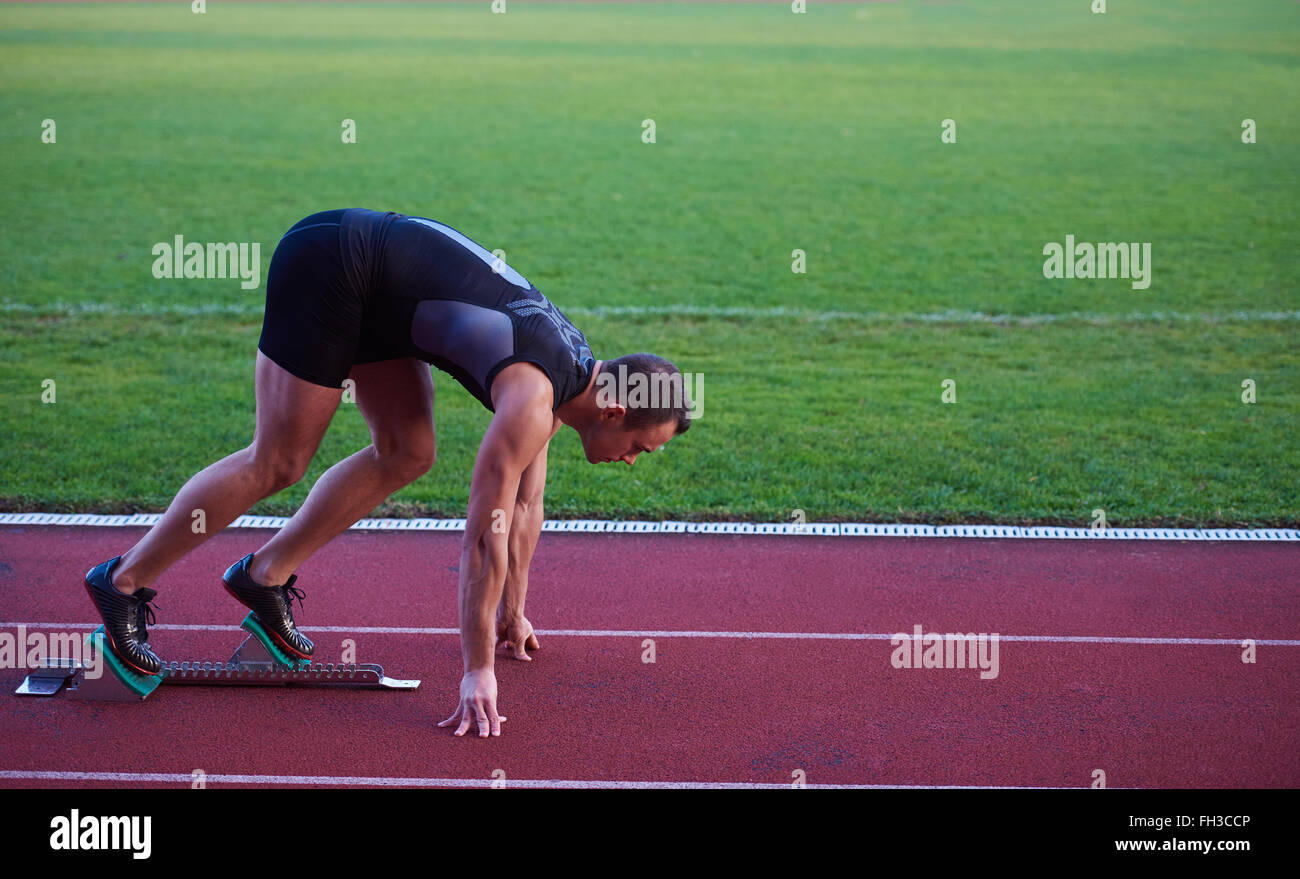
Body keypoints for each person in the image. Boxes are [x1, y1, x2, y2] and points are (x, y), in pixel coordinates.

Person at [83, 208, 692, 738]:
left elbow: (528, 507)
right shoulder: (535, 398)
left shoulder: (573, 376)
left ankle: (263, 576)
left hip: (381, 291)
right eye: (641, 446)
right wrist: (477, 669)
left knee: (407, 451)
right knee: (279, 460)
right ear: (613, 411)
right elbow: (484, 536)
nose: (634, 460)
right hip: (333, 264)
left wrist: (513, 613)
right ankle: (124, 581)